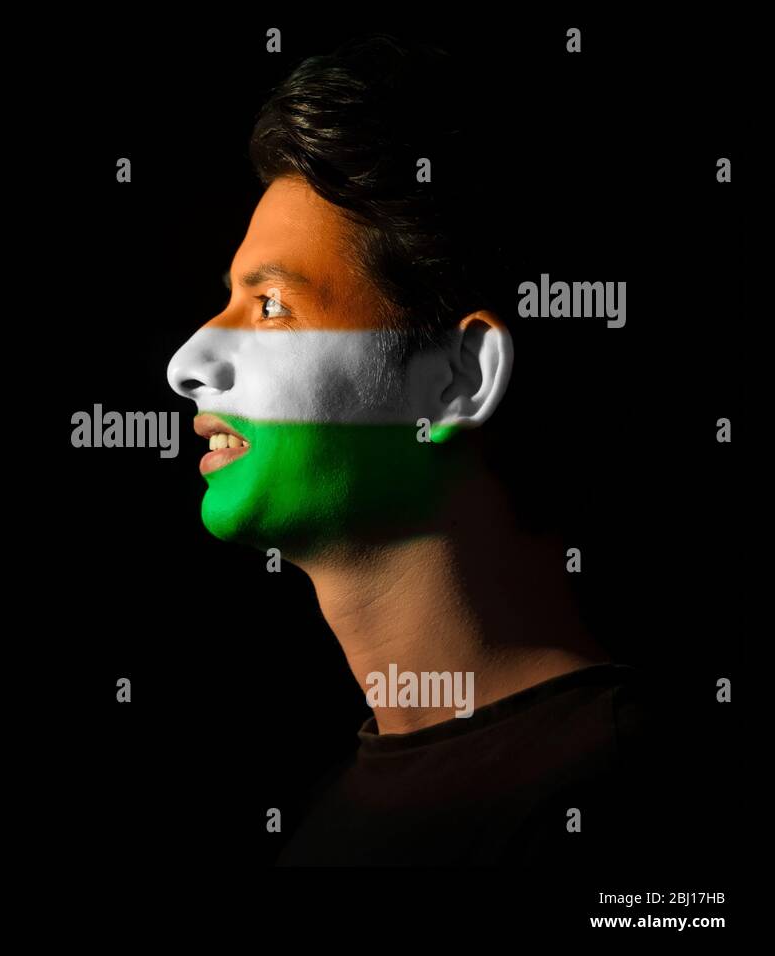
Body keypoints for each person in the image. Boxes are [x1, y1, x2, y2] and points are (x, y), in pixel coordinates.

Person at [165, 35, 711, 865]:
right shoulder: (321, 826)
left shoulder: (651, 801)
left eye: (272, 307)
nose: (188, 365)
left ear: (458, 380)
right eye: (229, 301)